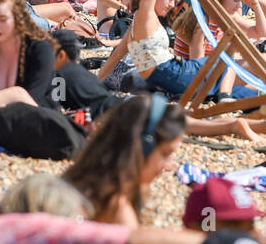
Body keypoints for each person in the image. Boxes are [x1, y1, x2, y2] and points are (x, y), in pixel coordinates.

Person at [62, 93, 187, 226]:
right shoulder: (117, 212)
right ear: (140, 148)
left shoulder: (77, 184)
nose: (170, 165)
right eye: (165, 154)